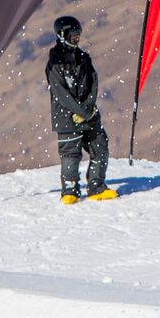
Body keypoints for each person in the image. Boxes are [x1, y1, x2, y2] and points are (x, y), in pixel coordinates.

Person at [46, 15, 114, 203]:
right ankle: (69, 191)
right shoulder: (55, 63)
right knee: (71, 154)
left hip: (89, 115)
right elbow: (61, 94)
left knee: (100, 146)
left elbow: (93, 83)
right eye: (73, 35)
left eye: (78, 35)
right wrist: (80, 112)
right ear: (62, 35)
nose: (76, 39)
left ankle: (97, 187)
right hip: (67, 118)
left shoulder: (84, 58)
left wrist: (88, 109)